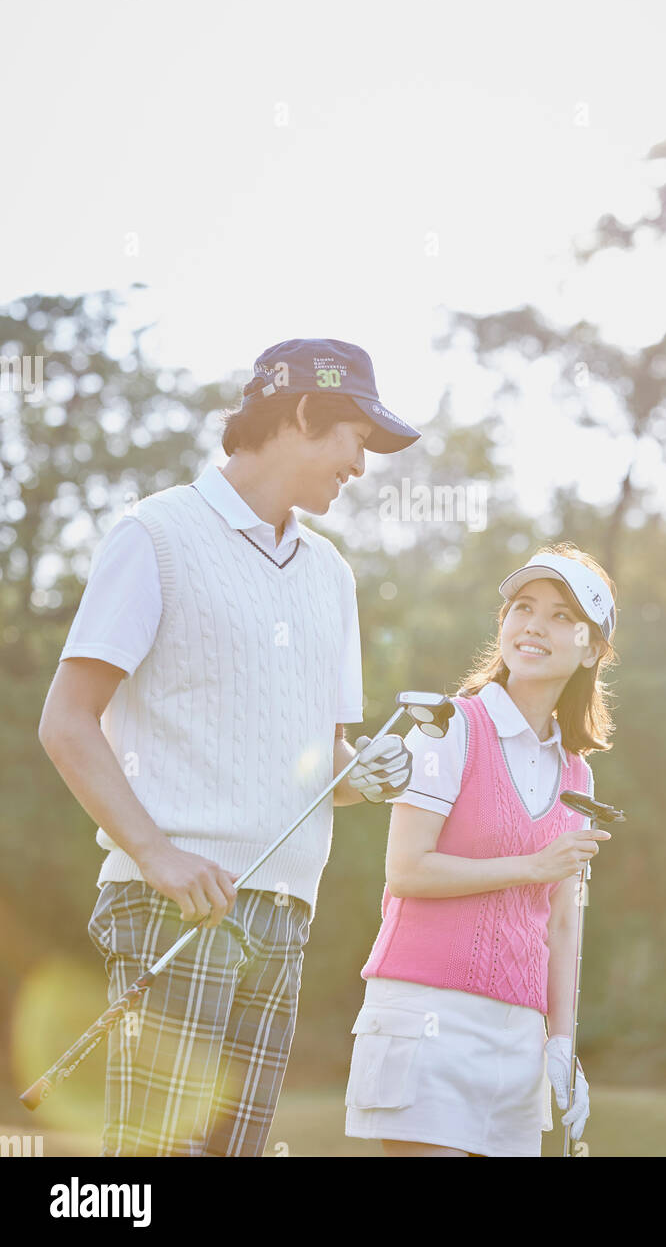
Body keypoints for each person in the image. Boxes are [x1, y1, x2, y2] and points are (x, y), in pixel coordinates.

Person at [38, 338, 420, 1157]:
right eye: (357, 437)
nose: (361, 464)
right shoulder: (158, 534)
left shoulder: (331, 575)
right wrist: (156, 855)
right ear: (309, 414)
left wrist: (372, 775)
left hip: (284, 913)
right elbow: (66, 721)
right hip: (177, 903)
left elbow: (326, 764)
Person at [344, 544, 618, 1157]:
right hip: (424, 1011)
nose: (533, 626)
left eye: (558, 616)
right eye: (522, 608)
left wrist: (562, 1041)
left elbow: (566, 918)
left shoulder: (578, 776)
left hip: (519, 1034)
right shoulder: (448, 728)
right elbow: (408, 870)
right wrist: (531, 867)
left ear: (592, 647)